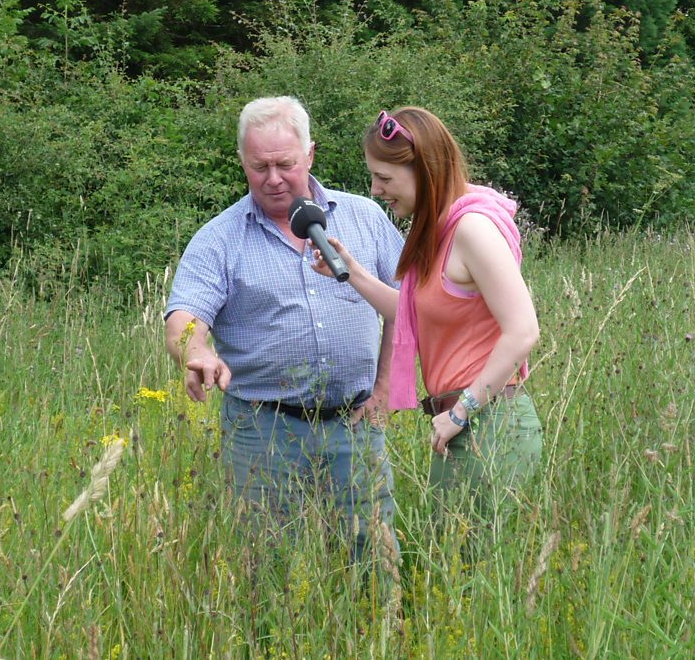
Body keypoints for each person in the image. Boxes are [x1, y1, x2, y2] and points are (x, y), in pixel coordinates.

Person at [163, 96, 405, 562]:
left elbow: (407, 305)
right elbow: (184, 315)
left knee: (372, 556)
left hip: (355, 424)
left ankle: (380, 634)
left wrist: (385, 386)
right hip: (262, 431)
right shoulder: (219, 238)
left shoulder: (365, 217)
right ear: (242, 162)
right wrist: (196, 352)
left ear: (310, 154)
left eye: (285, 164)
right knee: (269, 565)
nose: (273, 178)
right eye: (259, 166)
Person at [311, 106, 543, 542]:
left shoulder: (471, 229)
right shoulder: (437, 232)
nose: (376, 190)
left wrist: (462, 411)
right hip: (464, 424)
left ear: (424, 169)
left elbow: (523, 330)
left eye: (385, 178)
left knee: (474, 581)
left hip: (489, 424)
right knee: (453, 575)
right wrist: (353, 272)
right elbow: (413, 314)